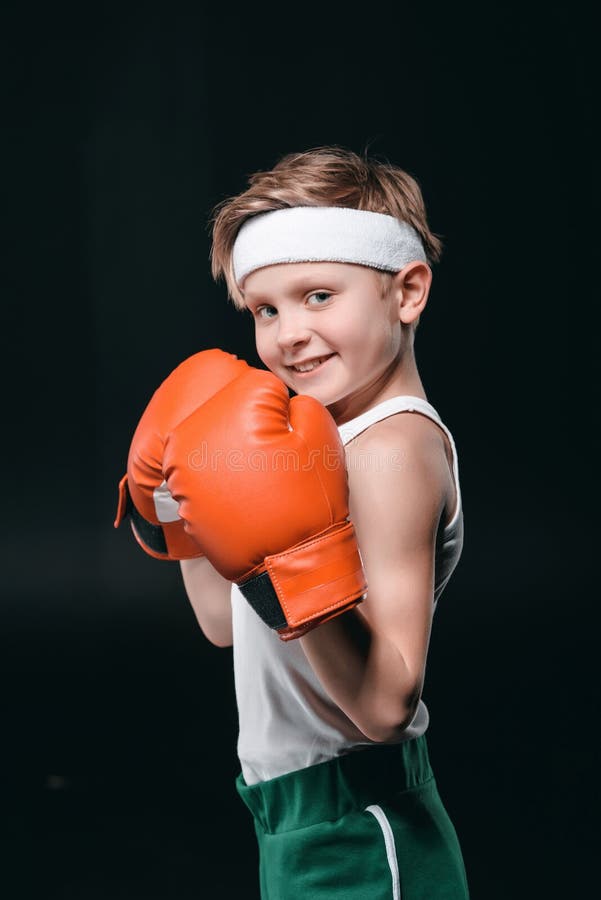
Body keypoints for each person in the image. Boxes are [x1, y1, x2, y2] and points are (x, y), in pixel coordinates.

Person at [115, 145, 470, 899]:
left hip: (361, 815)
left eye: (317, 296)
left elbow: (383, 703)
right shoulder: (304, 444)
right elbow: (221, 620)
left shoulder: (391, 448)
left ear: (406, 292)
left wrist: (286, 556)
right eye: (264, 309)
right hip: (287, 807)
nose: (287, 334)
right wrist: (181, 505)